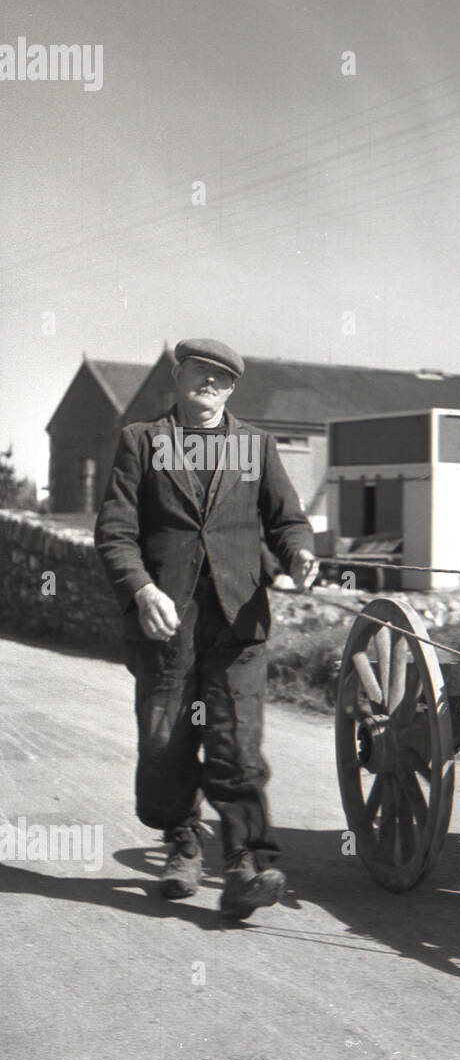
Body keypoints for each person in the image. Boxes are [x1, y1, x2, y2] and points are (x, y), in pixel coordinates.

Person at [94, 338, 317, 919]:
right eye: (201, 372)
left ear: (233, 388)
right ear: (179, 374)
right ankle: (182, 843)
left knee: (237, 744)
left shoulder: (255, 446)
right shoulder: (142, 442)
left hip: (237, 619)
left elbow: (285, 519)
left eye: (222, 378)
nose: (211, 384)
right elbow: (115, 532)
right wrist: (141, 590)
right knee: (166, 742)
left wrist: (299, 554)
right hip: (166, 622)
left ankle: (246, 863)